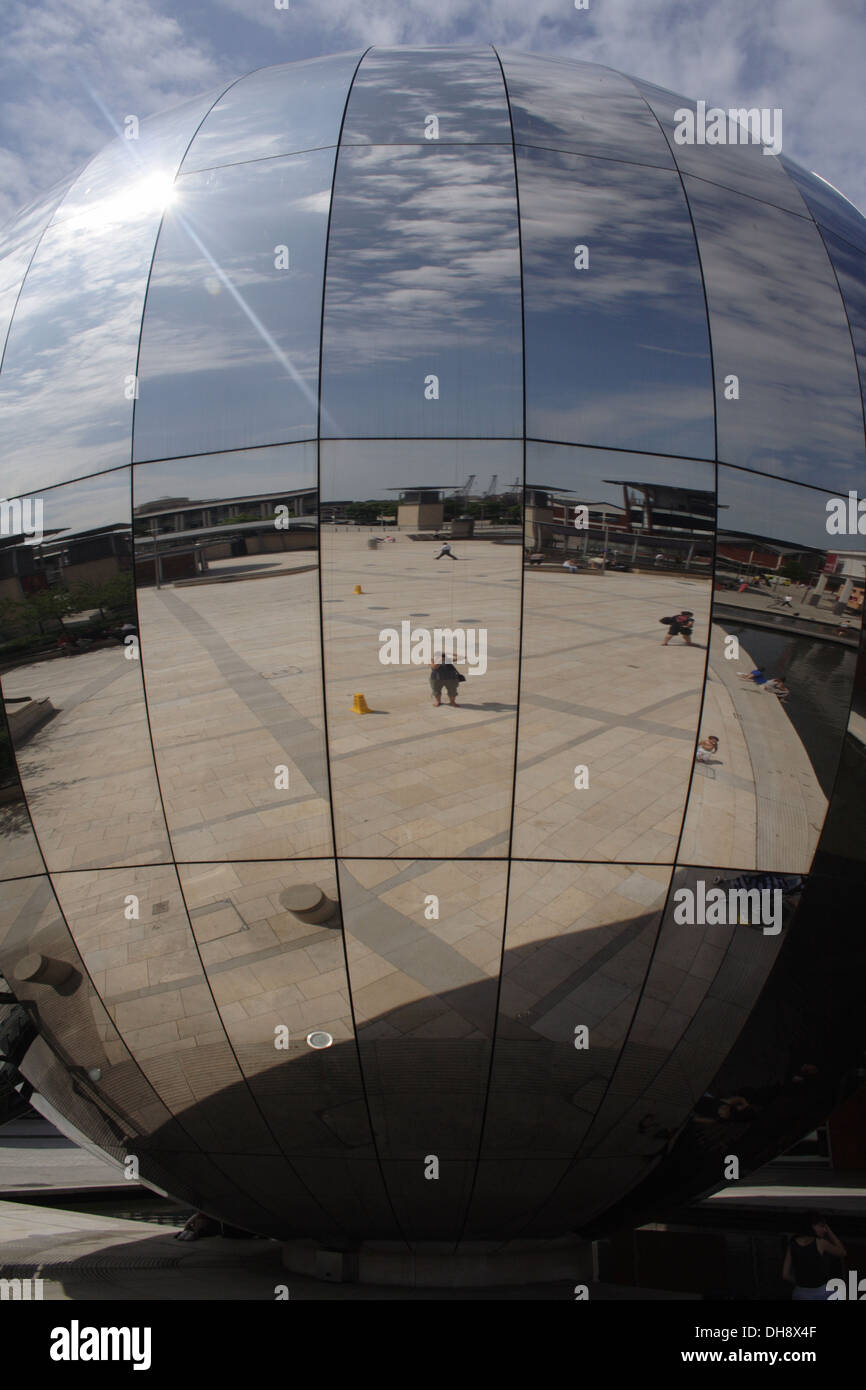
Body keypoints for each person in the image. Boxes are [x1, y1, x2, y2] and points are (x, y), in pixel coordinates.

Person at [782, 1213, 846, 1300]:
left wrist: (800, 1283)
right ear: (812, 1226)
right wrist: (829, 1231)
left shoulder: (792, 1245)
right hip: (821, 1292)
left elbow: (785, 1275)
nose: (824, 1230)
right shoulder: (820, 1243)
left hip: (801, 1293)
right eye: (822, 1226)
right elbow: (842, 1252)